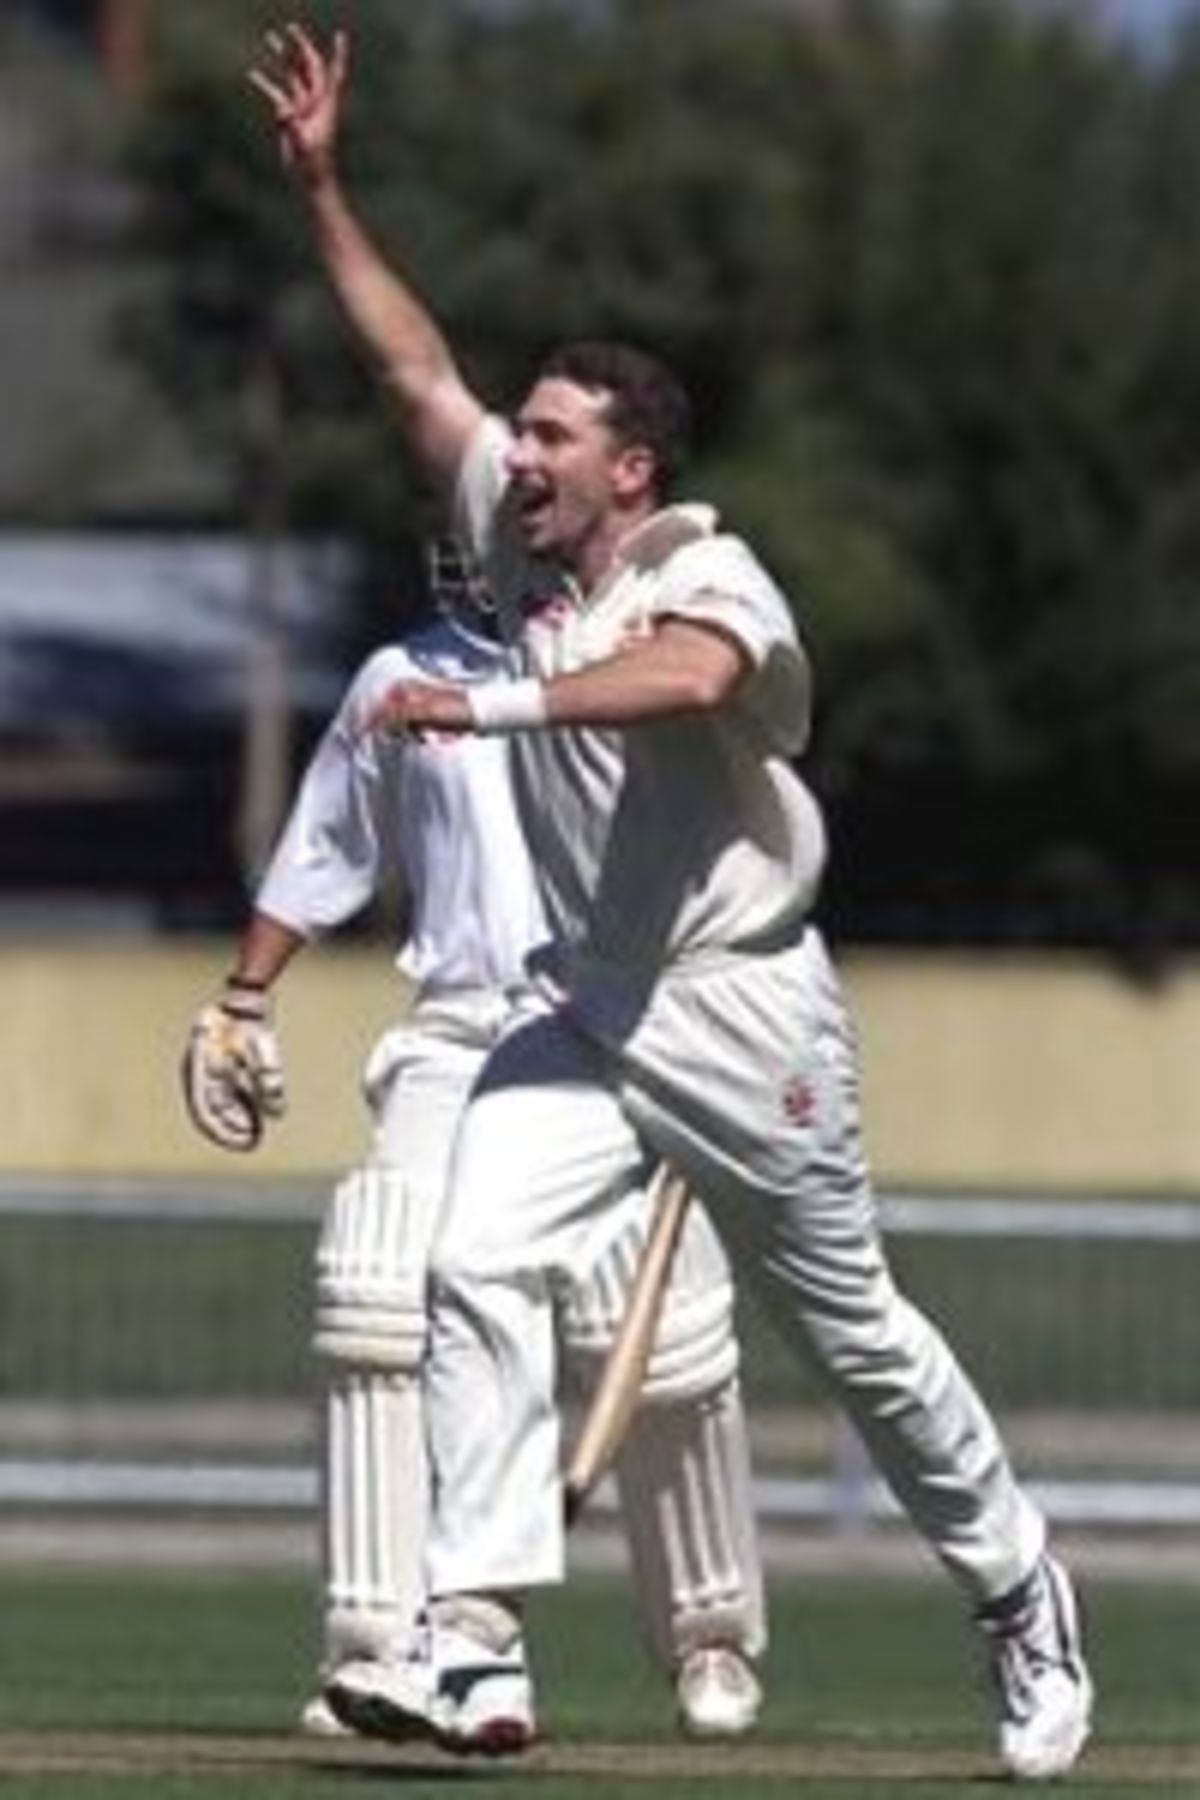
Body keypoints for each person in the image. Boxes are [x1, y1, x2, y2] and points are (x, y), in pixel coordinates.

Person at [247, 22, 1094, 1781]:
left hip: (743, 1003)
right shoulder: (512, 544)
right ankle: (474, 1638)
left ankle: (1018, 1586)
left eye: (552, 437)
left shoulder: (707, 569)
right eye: (526, 433)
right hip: (588, 1007)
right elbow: (413, 370)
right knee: (467, 1254)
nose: (519, 455)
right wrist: (325, 188)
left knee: (850, 1330)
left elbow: (698, 680)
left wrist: (480, 703)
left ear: (628, 469)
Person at [180, 540, 768, 1745]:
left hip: (618, 1021)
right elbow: (326, 843)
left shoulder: (640, 664)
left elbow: (741, 838)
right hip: (456, 1024)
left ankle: (709, 1636)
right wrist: (244, 998)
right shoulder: (400, 679)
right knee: (376, 1287)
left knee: (658, 1343)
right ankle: (387, 1643)